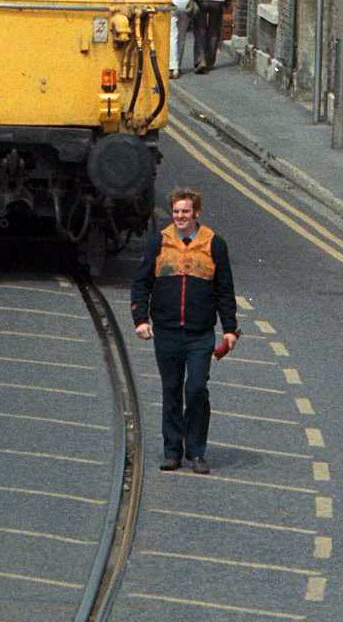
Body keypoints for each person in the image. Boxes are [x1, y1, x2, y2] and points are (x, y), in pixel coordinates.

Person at [132, 187, 239, 474]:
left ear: (196, 214)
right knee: (171, 390)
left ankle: (196, 451)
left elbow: (225, 290)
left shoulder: (214, 244)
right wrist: (140, 319)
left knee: (196, 389)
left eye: (186, 212)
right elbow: (141, 283)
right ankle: (172, 452)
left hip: (199, 333)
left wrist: (229, 328)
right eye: (176, 211)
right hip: (167, 331)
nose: (180, 216)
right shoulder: (159, 242)